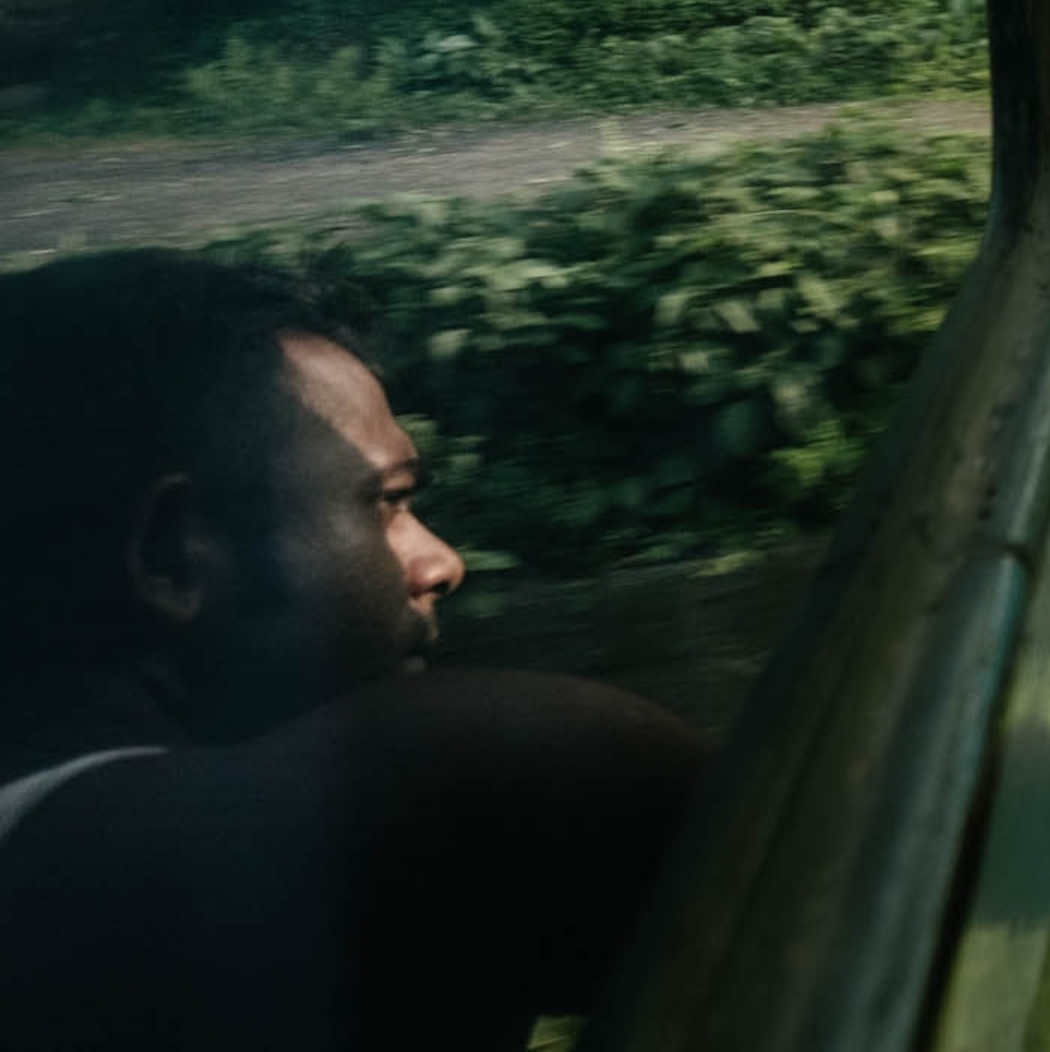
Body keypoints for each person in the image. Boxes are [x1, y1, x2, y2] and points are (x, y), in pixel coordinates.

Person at [0, 250, 711, 1050]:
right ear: (170, 556)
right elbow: (567, 772)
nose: (441, 563)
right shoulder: (479, 786)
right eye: (387, 502)